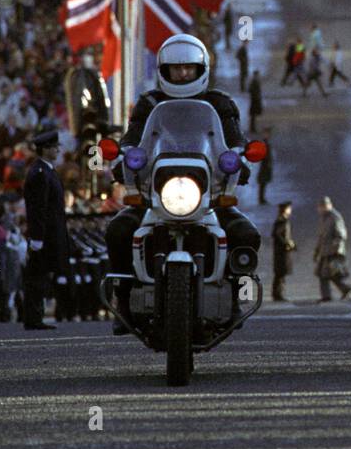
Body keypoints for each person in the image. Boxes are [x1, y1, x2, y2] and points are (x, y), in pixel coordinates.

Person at [103, 35, 261, 332]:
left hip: (207, 195)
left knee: (246, 234)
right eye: (176, 69)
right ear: (165, 70)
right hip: (157, 195)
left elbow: (233, 139)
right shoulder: (149, 103)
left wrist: (239, 156)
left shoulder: (220, 103)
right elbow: (133, 138)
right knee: (118, 230)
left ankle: (236, 296)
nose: (183, 74)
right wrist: (123, 155)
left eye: (189, 68)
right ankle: (122, 300)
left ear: (201, 69)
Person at [22, 129, 67, 331]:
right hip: (44, 234)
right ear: (45, 149)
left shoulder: (47, 171)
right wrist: (37, 238)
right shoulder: (40, 173)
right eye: (54, 147)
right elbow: (38, 208)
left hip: (49, 233)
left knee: (41, 276)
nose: (58, 150)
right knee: (36, 277)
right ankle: (33, 317)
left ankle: (36, 315)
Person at [314, 197, 351, 301]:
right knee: (326, 274)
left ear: (327, 206)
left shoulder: (335, 217)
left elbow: (341, 235)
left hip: (332, 252)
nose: (320, 209)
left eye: (321, 207)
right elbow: (321, 237)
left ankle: (328, 295)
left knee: (328, 274)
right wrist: (317, 251)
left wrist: (336, 250)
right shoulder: (324, 218)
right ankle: (343, 289)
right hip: (324, 251)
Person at [272, 202, 296, 301]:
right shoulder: (282, 221)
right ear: (285, 209)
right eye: (289, 208)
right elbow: (277, 234)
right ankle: (278, 294)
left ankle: (277, 294)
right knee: (280, 273)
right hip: (281, 252)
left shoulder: (281, 220)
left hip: (281, 251)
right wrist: (286, 244)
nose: (290, 210)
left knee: (280, 273)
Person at [257, 130, 273, 205]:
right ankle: (261, 199)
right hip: (264, 165)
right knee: (263, 182)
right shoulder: (264, 144)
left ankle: (262, 198)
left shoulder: (265, 144)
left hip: (265, 165)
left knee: (263, 182)